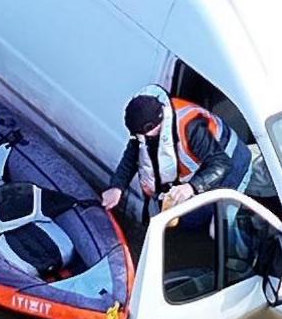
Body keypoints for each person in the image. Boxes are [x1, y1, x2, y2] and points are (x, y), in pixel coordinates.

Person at [101, 88, 253, 220]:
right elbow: (132, 156)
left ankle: (248, 243)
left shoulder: (190, 126)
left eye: (146, 135)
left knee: (220, 228)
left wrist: (192, 187)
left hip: (234, 165)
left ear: (157, 123)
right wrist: (117, 187)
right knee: (192, 218)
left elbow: (221, 163)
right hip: (204, 170)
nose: (144, 139)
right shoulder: (145, 128)